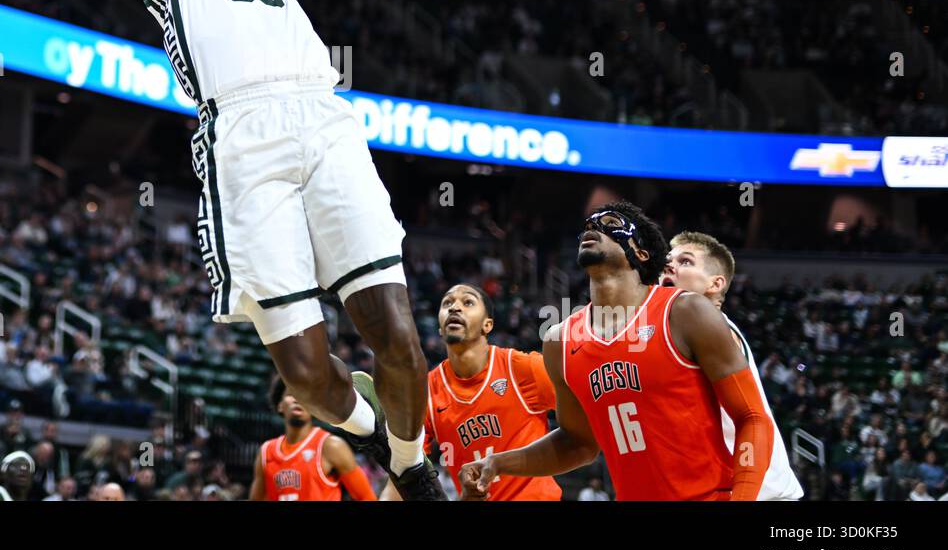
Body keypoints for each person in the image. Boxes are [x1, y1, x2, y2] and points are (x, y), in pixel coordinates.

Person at [125, 0, 440, 498]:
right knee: (303, 372)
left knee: (393, 330)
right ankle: (365, 431)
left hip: (324, 119)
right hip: (242, 133)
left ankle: (413, 461)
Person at [462, 202, 771, 501]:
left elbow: (753, 417)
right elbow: (578, 443)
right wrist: (499, 462)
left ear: (640, 252)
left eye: (608, 224)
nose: (592, 229)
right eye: (587, 226)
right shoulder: (560, 341)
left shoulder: (684, 311)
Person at [382, 284, 560, 501]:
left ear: (488, 324)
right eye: (447, 303)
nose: (454, 308)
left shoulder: (522, 368)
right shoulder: (426, 393)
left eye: (467, 302)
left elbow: (583, 413)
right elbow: (401, 477)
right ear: (439, 327)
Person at [661, 231, 803, 501]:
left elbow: (752, 418)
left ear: (715, 284)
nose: (670, 265)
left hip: (760, 494)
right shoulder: (670, 333)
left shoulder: (713, 328)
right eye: (668, 260)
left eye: (686, 261)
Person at [250, 378, 375, 501]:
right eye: (291, 395)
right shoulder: (266, 452)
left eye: (303, 396)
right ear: (280, 406)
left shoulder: (331, 446)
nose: (298, 400)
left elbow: (366, 497)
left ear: (312, 407)